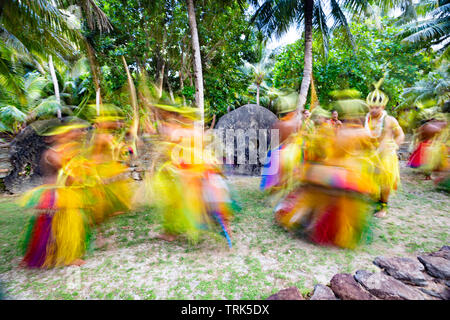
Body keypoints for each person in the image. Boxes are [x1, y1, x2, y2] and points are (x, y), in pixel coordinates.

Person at [19, 123, 91, 268]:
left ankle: (65, 254)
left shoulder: (63, 151)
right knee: (53, 226)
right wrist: (80, 178)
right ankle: (62, 257)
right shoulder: (52, 154)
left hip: (61, 192)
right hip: (53, 194)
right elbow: (68, 173)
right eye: (65, 133)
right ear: (53, 137)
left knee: (63, 224)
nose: (68, 136)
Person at [364, 79, 405, 218]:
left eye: (377, 107)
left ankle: (383, 208)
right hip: (370, 155)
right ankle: (376, 202)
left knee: (384, 182)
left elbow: (400, 135)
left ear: (382, 107)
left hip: (385, 156)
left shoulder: (390, 120)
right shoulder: (366, 120)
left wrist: (395, 145)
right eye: (371, 107)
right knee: (371, 181)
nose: (374, 109)